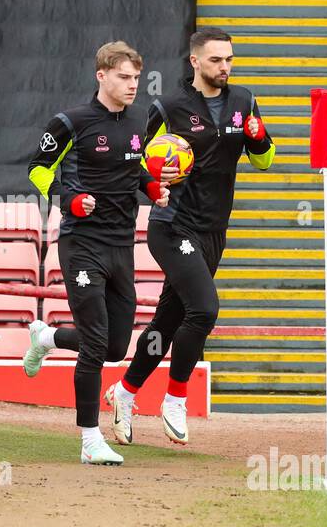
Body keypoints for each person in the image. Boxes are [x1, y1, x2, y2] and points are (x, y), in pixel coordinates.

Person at [106, 29, 274, 446]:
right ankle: (176, 397)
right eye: (216, 60)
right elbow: (136, 163)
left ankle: (124, 393)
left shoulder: (244, 101)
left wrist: (258, 137)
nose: (225, 67)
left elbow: (265, 161)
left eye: (230, 59)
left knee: (170, 318)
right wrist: (153, 180)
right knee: (204, 309)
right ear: (195, 62)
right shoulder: (169, 106)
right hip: (172, 225)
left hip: (214, 229)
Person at [21, 42, 171, 466]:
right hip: (81, 244)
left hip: (122, 246)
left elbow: (136, 168)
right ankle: (90, 439)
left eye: (136, 79)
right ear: (101, 75)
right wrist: (69, 199)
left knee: (113, 346)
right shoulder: (71, 121)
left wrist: (154, 188)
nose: (132, 86)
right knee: (95, 346)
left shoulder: (140, 122)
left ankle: (47, 337)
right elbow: (37, 168)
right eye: (124, 77)